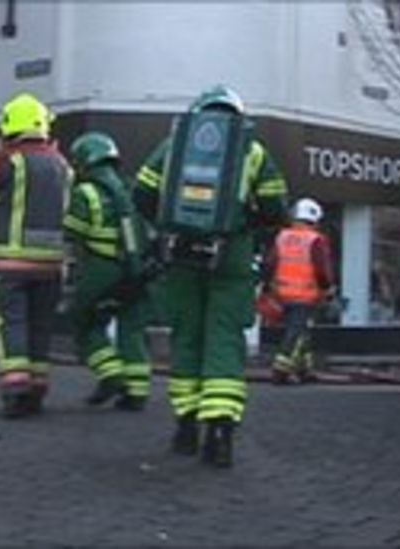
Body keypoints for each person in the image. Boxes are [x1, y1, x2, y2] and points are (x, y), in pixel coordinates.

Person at [134, 84, 288, 467]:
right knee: (224, 338)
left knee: (187, 336)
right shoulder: (251, 150)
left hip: (182, 254)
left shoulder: (174, 146)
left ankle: (185, 427)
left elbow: (141, 193)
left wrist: (168, 225)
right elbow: (276, 206)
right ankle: (220, 432)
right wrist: (244, 223)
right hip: (231, 255)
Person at [0, 93, 71, 419]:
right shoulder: (63, 165)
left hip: (10, 260)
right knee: (41, 326)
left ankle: (15, 391)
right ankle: (36, 392)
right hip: (52, 263)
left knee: (10, 323)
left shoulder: (8, 159)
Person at [63, 132, 152, 411]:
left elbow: (72, 232)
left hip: (101, 269)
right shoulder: (131, 189)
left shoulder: (85, 193)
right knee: (132, 328)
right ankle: (137, 392)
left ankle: (111, 373)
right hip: (139, 271)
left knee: (84, 320)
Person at [265, 198, 334, 385]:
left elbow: (270, 263)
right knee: (295, 332)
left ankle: (305, 369)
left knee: (301, 331)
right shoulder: (315, 240)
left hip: (281, 292)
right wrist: (328, 288)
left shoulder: (282, 237)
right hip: (305, 294)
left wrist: (267, 288)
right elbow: (321, 269)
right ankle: (281, 368)